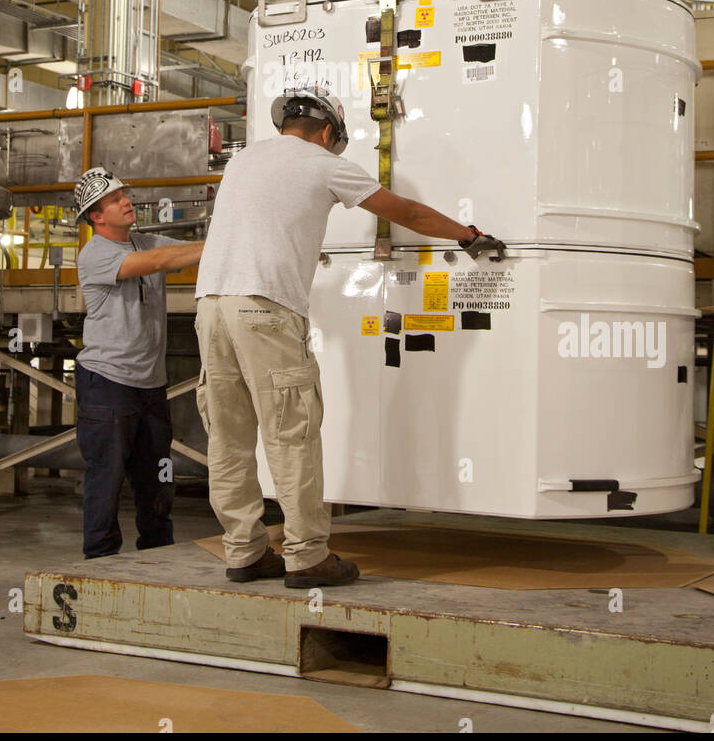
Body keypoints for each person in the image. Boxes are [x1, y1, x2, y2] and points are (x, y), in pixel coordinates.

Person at [194, 87, 505, 589]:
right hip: (266, 307)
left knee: (229, 438)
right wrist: (467, 234)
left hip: (210, 306)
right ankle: (307, 556)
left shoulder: (243, 160)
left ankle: (245, 552)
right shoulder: (322, 163)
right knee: (290, 434)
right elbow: (405, 212)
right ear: (325, 133)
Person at [74, 167, 204, 559]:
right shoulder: (95, 254)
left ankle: (157, 554)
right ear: (96, 216)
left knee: (158, 477)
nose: (126, 201)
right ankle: (100, 560)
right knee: (106, 477)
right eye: (115, 199)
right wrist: (219, 244)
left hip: (150, 385)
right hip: (106, 382)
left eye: (124, 194)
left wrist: (232, 233)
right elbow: (165, 259)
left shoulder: (143, 241)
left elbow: (183, 251)